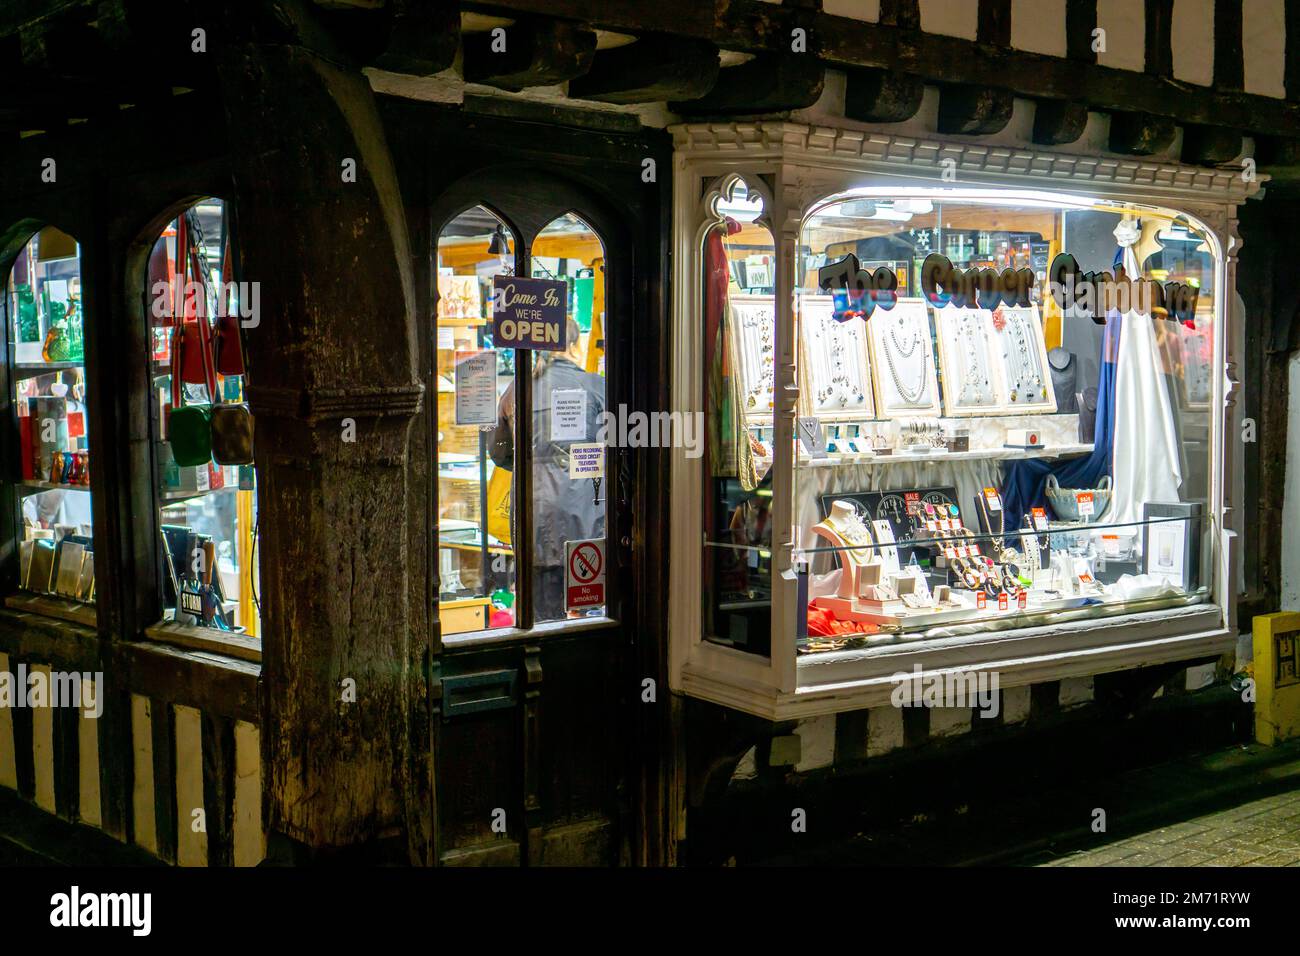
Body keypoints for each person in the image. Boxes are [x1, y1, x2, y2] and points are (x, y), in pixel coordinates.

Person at [490, 316, 605, 622]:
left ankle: (544, 670)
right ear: (574, 343)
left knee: (541, 621)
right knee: (591, 616)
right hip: (586, 523)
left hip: (533, 519)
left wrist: (533, 463)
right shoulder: (597, 387)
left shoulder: (518, 389)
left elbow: (498, 453)